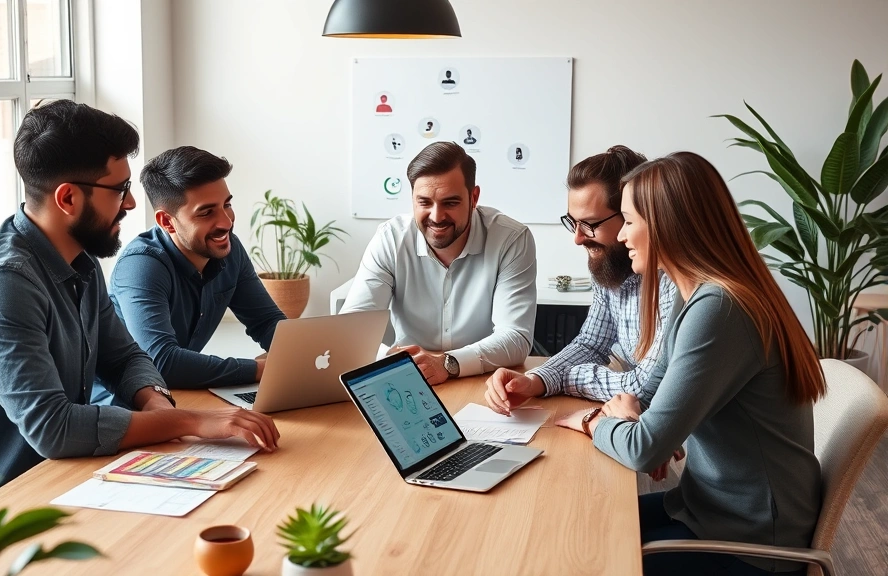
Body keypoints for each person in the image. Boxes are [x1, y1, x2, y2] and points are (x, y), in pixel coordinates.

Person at [0, 101, 279, 495]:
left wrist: (157, 404)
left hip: (53, 476)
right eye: (120, 189)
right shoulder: (0, 285)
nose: (132, 203)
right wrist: (187, 422)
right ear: (68, 199)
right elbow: (54, 428)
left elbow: (124, 357)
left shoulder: (79, 262)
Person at [559, 152, 823, 576]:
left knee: (588, 560)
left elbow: (646, 448)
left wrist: (594, 422)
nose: (622, 236)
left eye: (627, 220)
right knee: (575, 529)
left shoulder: (721, 308)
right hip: (701, 510)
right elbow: (646, 401)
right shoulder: (695, 296)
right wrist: (635, 422)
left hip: (750, 545)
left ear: (665, 225)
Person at [484, 146, 677, 414]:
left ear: (633, 214)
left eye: (590, 224)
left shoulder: (675, 280)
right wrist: (535, 380)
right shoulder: (609, 263)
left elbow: (646, 387)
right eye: (572, 222)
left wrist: (565, 378)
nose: (577, 238)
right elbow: (591, 343)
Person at [94, 145, 285, 402]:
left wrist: (307, 358)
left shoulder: (229, 249)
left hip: (178, 394)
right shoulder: (141, 266)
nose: (226, 222)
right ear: (166, 221)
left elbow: (267, 322)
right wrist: (260, 370)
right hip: (119, 407)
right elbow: (162, 361)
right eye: (207, 213)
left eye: (226, 205)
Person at [341, 141, 536, 385]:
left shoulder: (511, 239)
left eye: (450, 203)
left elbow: (516, 338)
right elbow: (350, 331)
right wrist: (393, 358)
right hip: (409, 377)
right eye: (424, 202)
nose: (436, 216)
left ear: (473, 197)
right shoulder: (390, 239)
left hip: (484, 380)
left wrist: (447, 363)